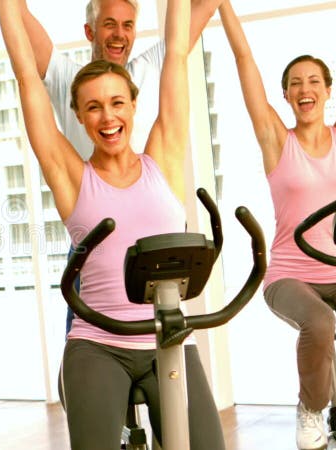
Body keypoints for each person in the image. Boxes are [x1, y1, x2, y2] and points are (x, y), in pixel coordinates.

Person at [0, 0, 224, 448]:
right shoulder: (71, 177)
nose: (108, 117)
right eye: (94, 107)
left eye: (118, 102)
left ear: (134, 105)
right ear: (79, 117)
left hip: (170, 335)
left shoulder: (165, 156)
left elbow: (177, 50)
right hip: (98, 341)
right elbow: (26, 73)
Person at [19, 0, 222, 334]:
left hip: (155, 225)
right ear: (89, 31)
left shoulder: (153, 64)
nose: (119, 34)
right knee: (90, 336)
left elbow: (193, 20)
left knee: (161, 335)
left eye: (128, 25)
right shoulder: (65, 74)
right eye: (109, 24)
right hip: (98, 231)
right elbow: (19, 19)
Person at [218, 2, 336, 449]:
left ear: (328, 90)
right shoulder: (278, 141)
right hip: (291, 276)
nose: (304, 88)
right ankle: (311, 412)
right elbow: (244, 63)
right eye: (295, 84)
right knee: (318, 321)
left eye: (313, 80)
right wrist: (222, 5)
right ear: (287, 96)